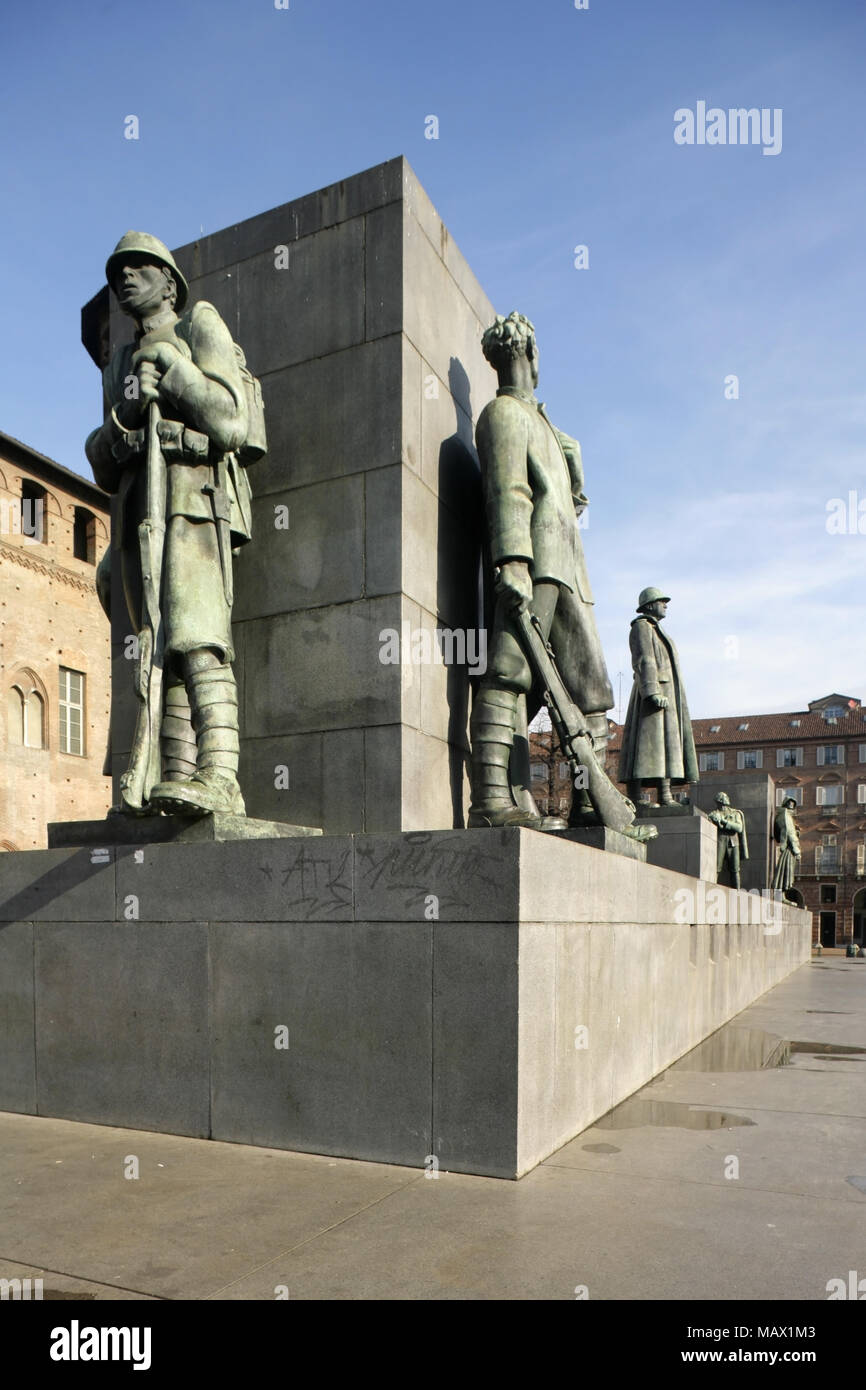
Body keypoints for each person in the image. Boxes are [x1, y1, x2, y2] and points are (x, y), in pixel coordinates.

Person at [85, 231, 264, 817]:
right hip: (141, 517)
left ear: (169, 282)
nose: (125, 279)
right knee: (158, 646)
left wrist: (177, 373)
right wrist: (126, 419)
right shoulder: (117, 363)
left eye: (139, 268)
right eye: (118, 273)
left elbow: (232, 421)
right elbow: (101, 462)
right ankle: (178, 779)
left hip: (194, 504)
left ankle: (222, 775)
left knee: (198, 640)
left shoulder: (198, 327)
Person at [468, 311, 614, 828]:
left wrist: (573, 470)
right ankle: (491, 800)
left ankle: (591, 805)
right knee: (509, 672)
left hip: (568, 568)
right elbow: (508, 490)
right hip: (535, 561)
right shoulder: (503, 413)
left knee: (590, 691)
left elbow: (566, 503)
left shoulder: (549, 426)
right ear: (531, 356)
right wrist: (512, 559)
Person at [618, 589, 698, 807]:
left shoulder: (657, 630)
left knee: (667, 746)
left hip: (668, 694)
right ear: (649, 604)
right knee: (645, 746)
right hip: (653, 694)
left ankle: (665, 796)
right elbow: (644, 659)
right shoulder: (642, 627)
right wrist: (652, 690)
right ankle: (635, 797)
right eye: (661, 601)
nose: (665, 604)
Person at [709, 791, 749, 889]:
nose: (721, 803)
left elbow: (739, 828)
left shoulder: (735, 813)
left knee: (735, 869)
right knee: (717, 867)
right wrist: (712, 819)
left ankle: (737, 891)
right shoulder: (714, 813)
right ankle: (712, 889)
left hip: (733, 843)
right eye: (719, 801)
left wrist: (723, 821)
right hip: (720, 841)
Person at [772, 795, 801, 895]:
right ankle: (780, 895)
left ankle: (781, 895)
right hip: (789, 849)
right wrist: (796, 850)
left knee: (785, 872)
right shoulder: (785, 816)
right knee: (785, 872)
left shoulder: (783, 816)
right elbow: (789, 833)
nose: (792, 810)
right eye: (791, 808)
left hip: (788, 848)